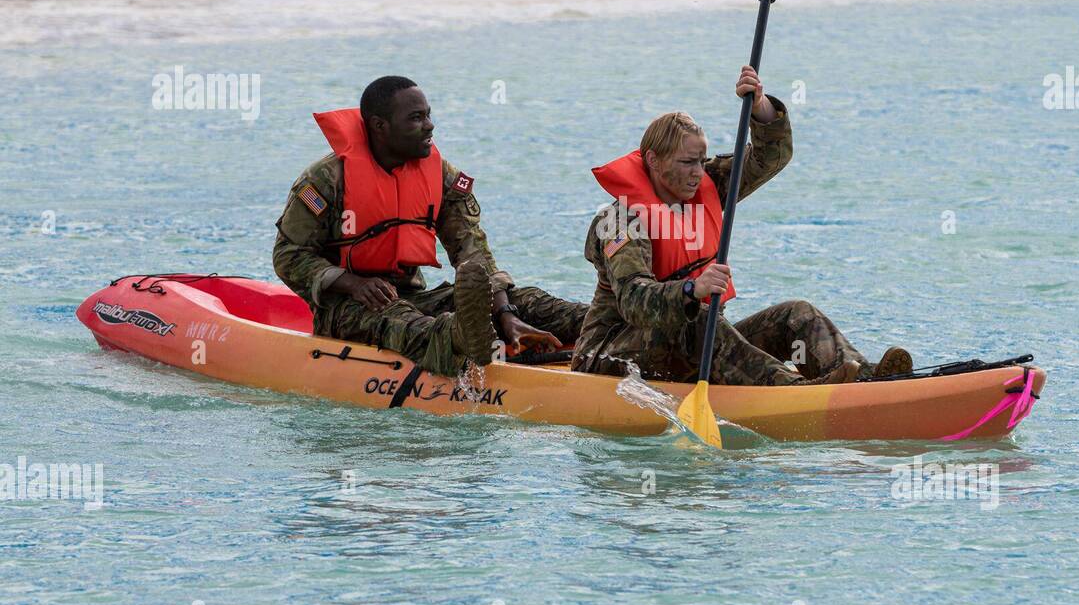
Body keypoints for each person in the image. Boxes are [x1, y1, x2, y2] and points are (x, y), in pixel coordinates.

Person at [571, 66, 912, 386]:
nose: (697, 172)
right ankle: (795, 392)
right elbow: (634, 300)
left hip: (690, 343)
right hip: (607, 355)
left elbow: (767, 158)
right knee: (699, 319)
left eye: (701, 162)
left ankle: (870, 382)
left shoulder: (704, 185)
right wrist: (692, 290)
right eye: (687, 162)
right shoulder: (619, 221)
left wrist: (760, 106)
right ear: (654, 161)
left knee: (797, 315)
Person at [273, 76, 588, 376]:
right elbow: (289, 256)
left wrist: (505, 313)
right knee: (400, 320)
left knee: (526, 300)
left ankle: (604, 324)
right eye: (415, 118)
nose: (430, 125)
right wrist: (354, 284)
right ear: (380, 127)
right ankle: (462, 339)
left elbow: (473, 252)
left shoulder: (440, 176)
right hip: (347, 308)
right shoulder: (326, 181)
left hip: (414, 297)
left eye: (428, 115)